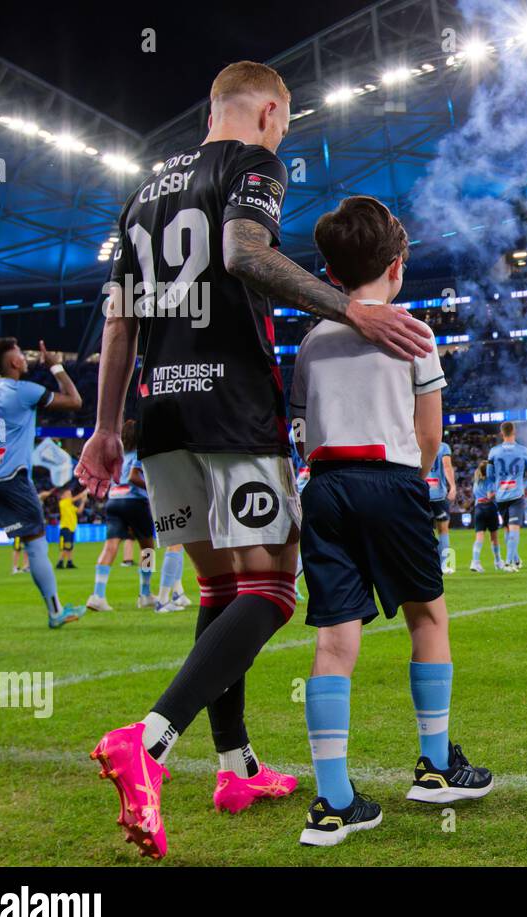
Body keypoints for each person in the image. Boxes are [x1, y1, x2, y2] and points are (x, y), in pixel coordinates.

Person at [79, 61, 433, 859]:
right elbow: (243, 254)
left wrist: (107, 426)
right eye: (286, 123)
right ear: (270, 111)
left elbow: (117, 324)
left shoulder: (141, 192)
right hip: (230, 404)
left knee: (221, 587)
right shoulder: (251, 165)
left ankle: (236, 765)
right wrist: (353, 309)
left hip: (159, 410)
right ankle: (153, 740)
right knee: (273, 589)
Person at [289, 195, 492, 847]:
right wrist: (407, 473)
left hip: (322, 486)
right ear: (397, 267)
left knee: (333, 640)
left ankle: (333, 801)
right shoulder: (414, 332)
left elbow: (301, 432)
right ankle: (434, 767)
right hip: (391, 480)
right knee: (427, 617)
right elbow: (429, 437)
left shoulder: (310, 343)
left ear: (329, 272)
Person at [0, 338, 85, 640]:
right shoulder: (25, 391)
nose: (24, 359)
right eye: (20, 355)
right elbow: (75, 401)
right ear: (12, 362)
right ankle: (55, 612)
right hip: (11, 477)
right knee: (36, 546)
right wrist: (57, 367)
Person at [85, 420, 161, 612]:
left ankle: (98, 595)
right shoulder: (139, 453)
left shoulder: (117, 456)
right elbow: (134, 477)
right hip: (134, 501)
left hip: (113, 501)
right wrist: (153, 489)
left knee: (110, 547)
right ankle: (145, 593)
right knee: (148, 549)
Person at [488, 422, 527, 572]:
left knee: (507, 529)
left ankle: (515, 560)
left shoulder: (493, 452)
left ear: (501, 433)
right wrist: (526, 487)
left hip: (501, 496)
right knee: (514, 528)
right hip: (516, 494)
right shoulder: (523, 450)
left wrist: (491, 490)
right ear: (514, 432)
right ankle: (508, 563)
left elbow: (489, 475)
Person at [425, 436, 457, 572]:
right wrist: (453, 486)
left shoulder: (420, 444)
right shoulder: (443, 447)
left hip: (422, 494)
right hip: (438, 495)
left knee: (425, 531)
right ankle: (445, 564)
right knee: (443, 530)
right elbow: (447, 466)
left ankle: (428, 565)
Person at [40, 483, 88, 570]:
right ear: (63, 496)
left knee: (70, 546)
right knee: (66, 546)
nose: (70, 495)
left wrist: (83, 502)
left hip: (72, 527)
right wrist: (85, 492)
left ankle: (69, 562)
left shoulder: (70, 505)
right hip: (65, 527)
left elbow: (79, 511)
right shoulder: (63, 503)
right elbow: (76, 498)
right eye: (68, 494)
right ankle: (60, 562)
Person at [468, 460, 504, 572]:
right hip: (489, 508)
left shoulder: (476, 481)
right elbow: (489, 495)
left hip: (478, 508)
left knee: (479, 536)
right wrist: (499, 490)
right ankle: (498, 562)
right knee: (494, 537)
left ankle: (475, 562)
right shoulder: (490, 480)